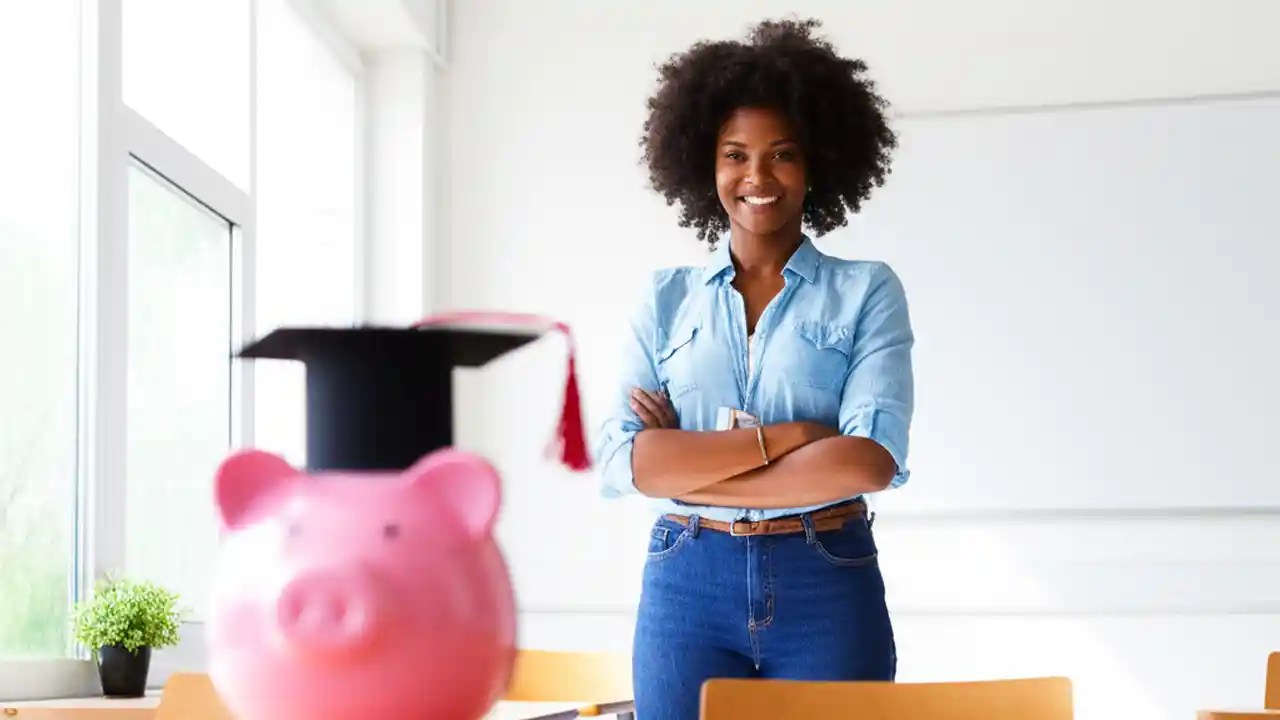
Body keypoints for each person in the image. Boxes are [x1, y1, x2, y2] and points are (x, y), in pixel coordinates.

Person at [593, 17, 914, 720]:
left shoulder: (867, 290)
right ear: (704, 165)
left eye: (782, 155)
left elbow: (869, 462)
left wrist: (695, 460)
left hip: (826, 577)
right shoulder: (663, 298)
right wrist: (792, 436)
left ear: (817, 163)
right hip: (687, 584)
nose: (757, 177)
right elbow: (627, 462)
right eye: (735, 154)